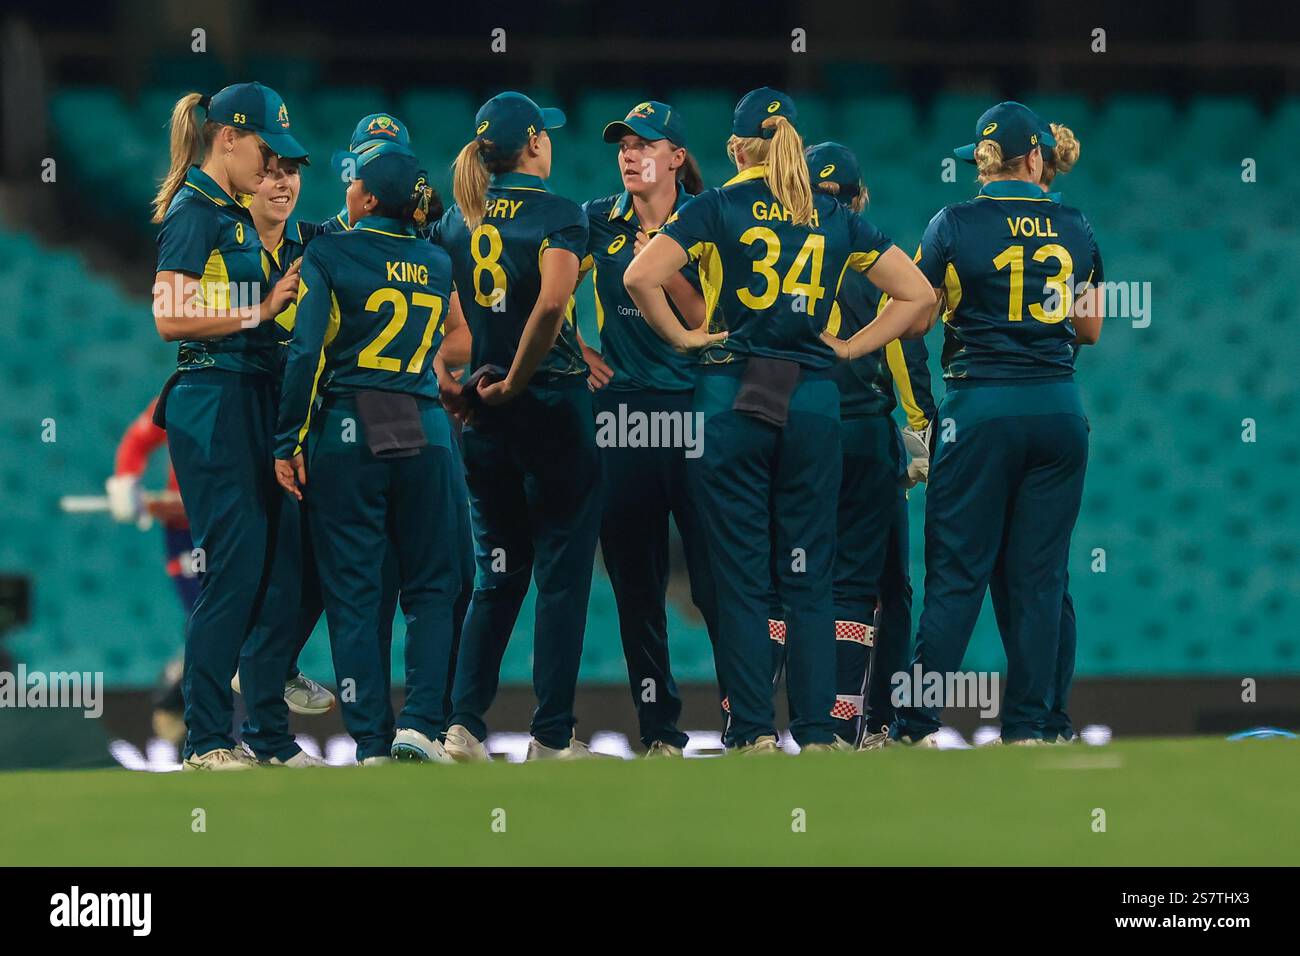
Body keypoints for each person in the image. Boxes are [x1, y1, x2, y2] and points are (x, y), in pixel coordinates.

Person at [624, 88, 936, 753]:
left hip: (735, 395)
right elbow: (919, 295)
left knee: (742, 576)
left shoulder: (717, 206)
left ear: (737, 148)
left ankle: (753, 732)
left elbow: (639, 277)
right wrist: (852, 347)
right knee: (812, 574)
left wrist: (684, 340)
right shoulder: (831, 214)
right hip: (813, 401)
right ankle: (819, 732)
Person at [838, 101, 1103, 745]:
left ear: (984, 164)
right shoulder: (1076, 225)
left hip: (980, 409)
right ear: (1037, 158)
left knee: (957, 578)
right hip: (1058, 409)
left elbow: (917, 314)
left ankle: (918, 723)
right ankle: (1032, 727)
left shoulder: (953, 224)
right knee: (1041, 581)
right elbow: (1089, 327)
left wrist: (867, 359)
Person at [275, 141, 462, 765]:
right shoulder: (438, 261)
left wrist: (288, 440)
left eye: (354, 185)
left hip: (350, 427)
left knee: (354, 594)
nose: (346, 193)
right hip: (425, 429)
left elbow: (305, 353)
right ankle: (423, 725)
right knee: (436, 586)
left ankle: (373, 744)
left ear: (369, 198)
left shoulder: (328, 250)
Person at [150, 81, 316, 770]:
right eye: (263, 149)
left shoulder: (238, 217)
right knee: (238, 565)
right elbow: (168, 316)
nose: (271, 167)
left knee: (294, 557)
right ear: (227, 139)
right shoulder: (196, 212)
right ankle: (209, 739)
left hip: (255, 394)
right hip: (213, 396)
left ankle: (271, 715)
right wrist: (260, 310)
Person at [433, 92, 603, 761]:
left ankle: (463, 728)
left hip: (478, 416)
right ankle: (551, 738)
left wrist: (449, 381)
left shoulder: (454, 220)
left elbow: (427, 308)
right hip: (551, 407)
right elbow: (556, 299)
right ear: (533, 144)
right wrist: (518, 379)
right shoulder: (559, 214)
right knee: (560, 575)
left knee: (497, 575)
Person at [766, 143, 932, 749]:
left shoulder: (779, 251)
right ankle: (858, 723)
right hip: (864, 435)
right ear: (859, 197)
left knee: (786, 581)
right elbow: (904, 345)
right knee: (875, 587)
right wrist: (921, 429)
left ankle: (754, 723)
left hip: (785, 424)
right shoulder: (870, 254)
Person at [578, 100, 722, 757]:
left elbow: (713, 323)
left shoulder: (712, 219)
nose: (631, 155)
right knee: (637, 584)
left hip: (697, 408)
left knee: (720, 579)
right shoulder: (595, 221)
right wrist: (572, 349)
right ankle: (660, 731)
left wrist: (663, 270)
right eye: (624, 145)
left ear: (677, 158)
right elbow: (540, 291)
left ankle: (747, 719)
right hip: (625, 412)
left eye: (646, 144)